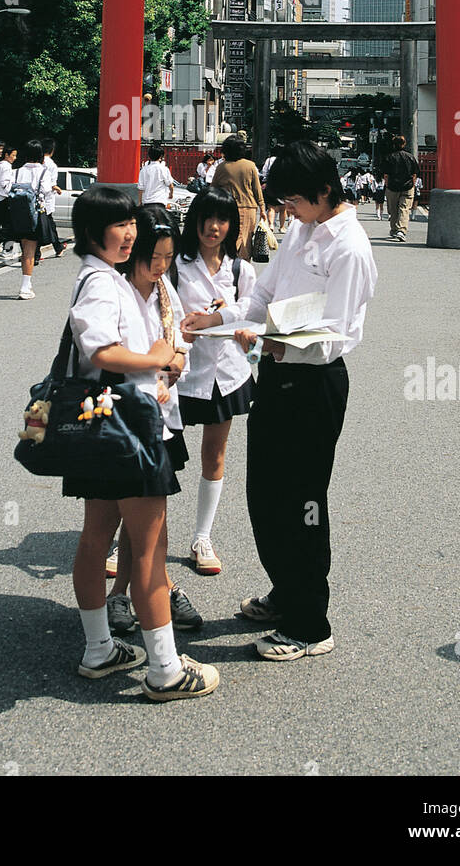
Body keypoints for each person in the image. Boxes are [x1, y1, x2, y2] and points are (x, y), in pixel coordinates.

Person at [183, 141, 377, 664]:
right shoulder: (299, 229)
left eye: (293, 200)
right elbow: (262, 297)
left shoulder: (350, 248)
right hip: (277, 377)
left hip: (314, 385)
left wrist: (267, 332)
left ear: (324, 191)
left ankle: (311, 623)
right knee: (265, 493)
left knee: (304, 503)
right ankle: (285, 591)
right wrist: (219, 320)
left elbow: (332, 334)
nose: (286, 210)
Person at [64, 186, 219, 700]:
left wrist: (167, 357)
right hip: (130, 426)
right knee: (151, 549)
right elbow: (103, 350)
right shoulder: (104, 284)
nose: (129, 234)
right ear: (93, 231)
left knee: (98, 537)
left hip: (105, 423)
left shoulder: (108, 279)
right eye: (119, 225)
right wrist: (156, 358)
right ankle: (165, 670)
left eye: (132, 223)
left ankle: (99, 649)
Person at [106, 207, 204, 639]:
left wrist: (178, 357)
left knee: (146, 516)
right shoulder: (117, 289)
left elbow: (179, 341)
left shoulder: (164, 289)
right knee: (138, 516)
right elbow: (108, 355)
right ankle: (146, 592)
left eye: (168, 256)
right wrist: (157, 360)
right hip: (127, 417)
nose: (161, 266)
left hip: (162, 415)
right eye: (154, 257)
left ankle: (135, 591)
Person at [175, 186, 255, 575]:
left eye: (223, 219)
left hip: (225, 373)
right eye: (207, 217)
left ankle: (201, 537)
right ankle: (127, 537)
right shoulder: (174, 264)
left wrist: (235, 324)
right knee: (158, 454)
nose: (214, 226)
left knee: (215, 455)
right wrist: (180, 327)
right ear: (195, 221)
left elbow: (253, 313)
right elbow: (155, 309)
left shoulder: (241, 270)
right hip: (178, 371)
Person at [10, 140, 56, 300]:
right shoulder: (43, 172)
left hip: (17, 214)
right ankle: (24, 287)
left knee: (25, 249)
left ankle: (27, 284)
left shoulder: (15, 172)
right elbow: (46, 191)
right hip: (35, 214)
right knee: (29, 251)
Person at [211, 137, 265, 261]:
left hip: (226, 208)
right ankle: (243, 269)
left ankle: (227, 264)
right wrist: (262, 208)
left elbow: (213, 189)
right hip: (249, 207)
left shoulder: (221, 167)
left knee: (229, 237)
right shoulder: (250, 166)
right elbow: (257, 189)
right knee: (245, 240)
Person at [34, 136, 66, 265]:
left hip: (36, 201)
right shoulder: (52, 165)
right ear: (52, 150)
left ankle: (56, 247)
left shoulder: (37, 162)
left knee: (44, 226)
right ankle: (40, 252)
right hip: (46, 200)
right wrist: (57, 188)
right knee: (46, 226)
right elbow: (51, 184)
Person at [383, 135, 420, 242]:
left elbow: (386, 175)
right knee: (404, 208)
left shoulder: (389, 157)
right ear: (404, 144)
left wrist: (387, 184)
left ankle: (394, 229)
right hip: (407, 186)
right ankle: (401, 230)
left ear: (394, 144)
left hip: (392, 186)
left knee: (393, 209)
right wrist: (412, 184)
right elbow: (414, 174)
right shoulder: (410, 157)